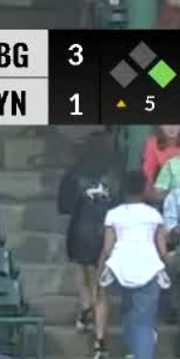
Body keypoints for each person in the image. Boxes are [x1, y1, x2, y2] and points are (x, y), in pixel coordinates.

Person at [97, 172, 169, 359]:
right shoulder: (153, 214)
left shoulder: (113, 214)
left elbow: (109, 248)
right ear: (144, 189)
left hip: (121, 267)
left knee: (128, 310)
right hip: (148, 267)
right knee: (143, 320)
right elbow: (162, 249)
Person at [58, 134, 120, 335]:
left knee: (81, 270)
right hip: (106, 230)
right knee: (98, 275)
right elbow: (121, 203)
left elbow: (64, 205)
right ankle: (95, 310)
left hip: (79, 229)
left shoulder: (74, 173)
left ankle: (86, 307)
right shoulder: (115, 174)